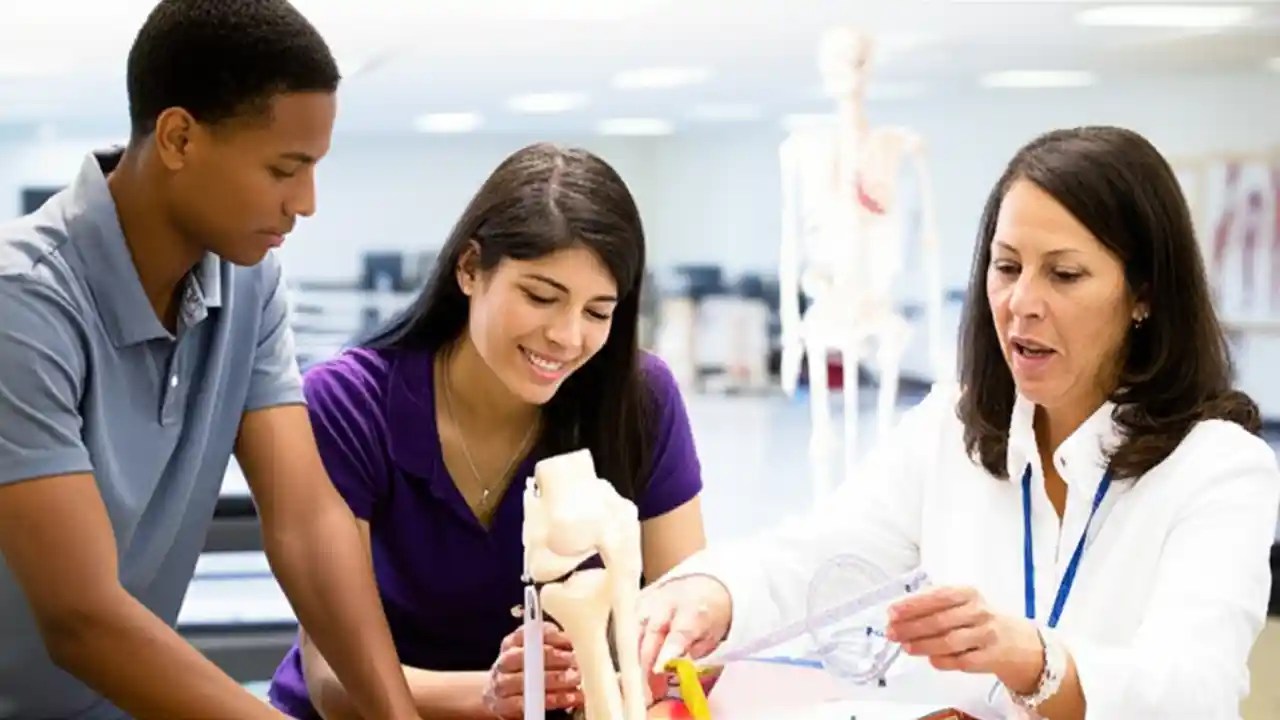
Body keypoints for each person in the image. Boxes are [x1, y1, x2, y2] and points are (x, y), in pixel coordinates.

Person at [635, 126, 1280, 718]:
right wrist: (711, 591)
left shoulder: (1219, 469)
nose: (1022, 302)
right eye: (1007, 267)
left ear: (1144, 295)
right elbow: (820, 553)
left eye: (1064, 274)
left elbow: (1194, 690)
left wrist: (1027, 654)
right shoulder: (952, 427)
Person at [0, 1, 421, 718]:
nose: (307, 203)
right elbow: (79, 618)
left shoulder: (249, 280)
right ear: (179, 138)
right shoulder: (23, 303)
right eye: (285, 168)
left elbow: (307, 522)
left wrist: (396, 714)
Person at [265, 142, 707, 719]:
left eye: (598, 312)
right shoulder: (351, 406)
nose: (568, 337)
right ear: (470, 269)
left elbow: (684, 634)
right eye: (540, 297)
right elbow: (331, 681)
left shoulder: (639, 399)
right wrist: (494, 693)